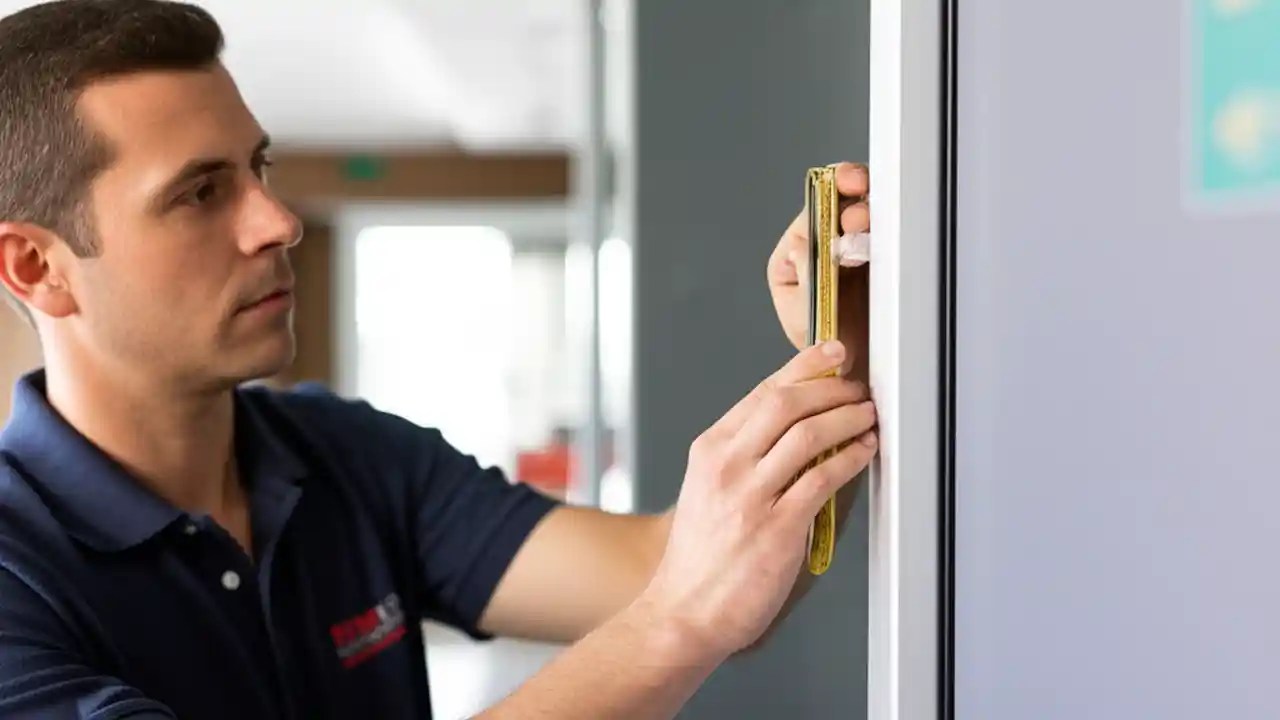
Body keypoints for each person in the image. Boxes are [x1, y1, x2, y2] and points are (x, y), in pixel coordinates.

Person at [0, 1, 876, 718]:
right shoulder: (14, 571)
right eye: (199, 192)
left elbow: (694, 574)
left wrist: (847, 349)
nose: (278, 222)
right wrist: (674, 627)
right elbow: (683, 603)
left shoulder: (342, 454)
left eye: (257, 168)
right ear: (36, 268)